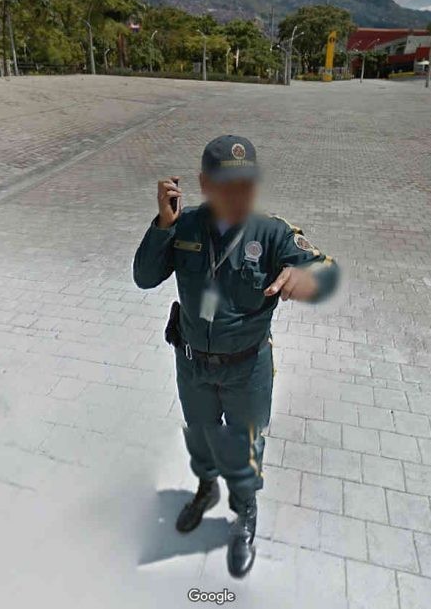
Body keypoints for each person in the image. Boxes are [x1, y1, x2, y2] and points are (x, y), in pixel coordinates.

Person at [132, 135, 339, 578]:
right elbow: (144, 277)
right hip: (192, 365)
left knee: (245, 449)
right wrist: (162, 226)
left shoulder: (272, 232)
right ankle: (206, 489)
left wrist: (307, 276)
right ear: (205, 183)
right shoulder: (183, 226)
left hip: (247, 369)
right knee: (203, 437)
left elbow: (323, 267)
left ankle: (244, 516)